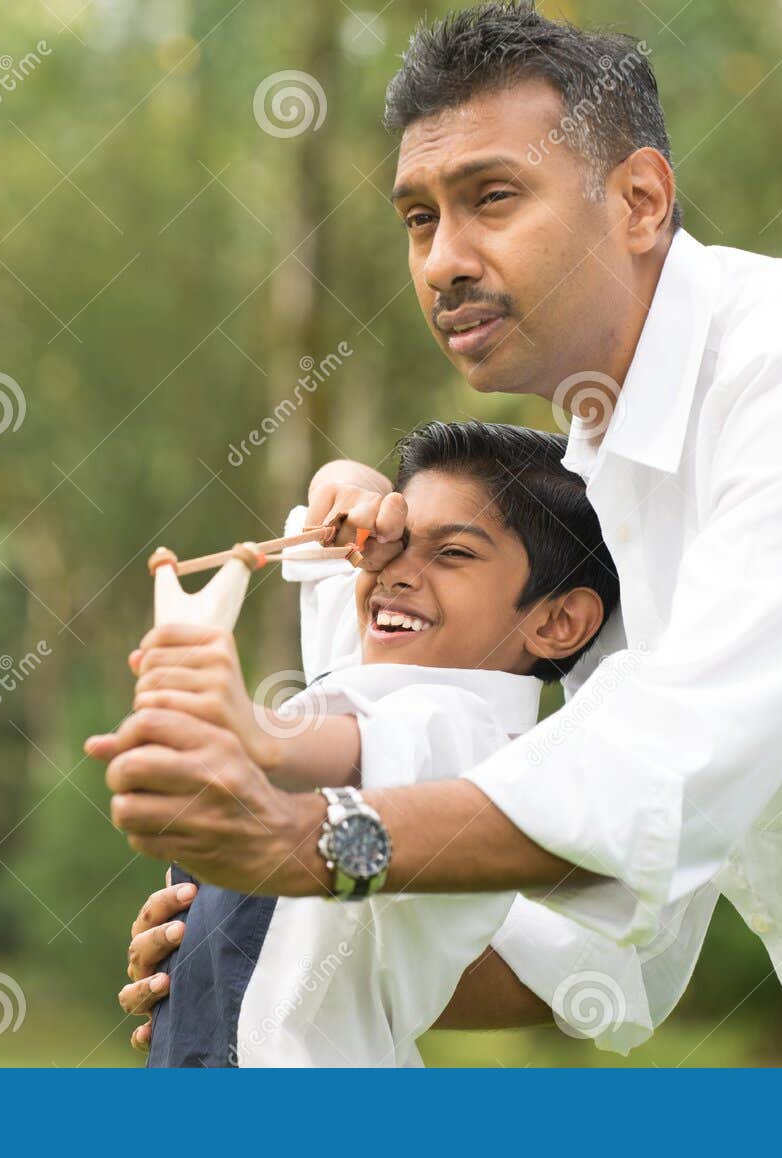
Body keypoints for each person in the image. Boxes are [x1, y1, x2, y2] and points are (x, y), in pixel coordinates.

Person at [94, 1, 782, 1064]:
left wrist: (303, 840)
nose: (442, 259)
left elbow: (660, 774)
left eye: (493, 198)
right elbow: (609, 951)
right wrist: (271, 948)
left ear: (641, 201)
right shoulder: (614, 485)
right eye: (417, 217)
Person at [102, 422, 708, 1065]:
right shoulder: (373, 663)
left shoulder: (473, 736)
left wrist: (252, 734)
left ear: (555, 621)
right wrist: (357, 494)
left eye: (454, 554)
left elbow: (368, 746)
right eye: (392, 545)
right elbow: (329, 506)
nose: (397, 575)